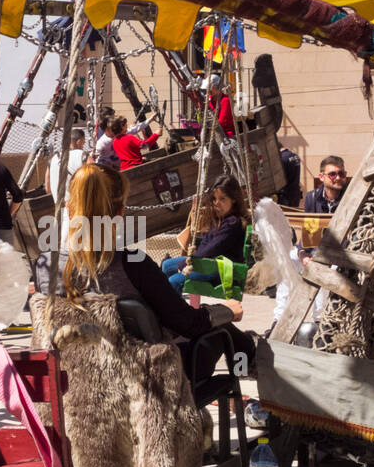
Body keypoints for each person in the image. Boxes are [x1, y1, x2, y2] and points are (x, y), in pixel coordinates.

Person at [61, 163, 256, 385]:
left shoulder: (48, 267)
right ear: (120, 213)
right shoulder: (133, 265)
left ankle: (250, 353)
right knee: (221, 329)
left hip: (81, 382)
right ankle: (252, 359)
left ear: (69, 209)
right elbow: (187, 323)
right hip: (145, 384)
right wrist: (224, 311)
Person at [161, 175, 250, 294]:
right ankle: (165, 298)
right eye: (214, 199)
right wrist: (191, 258)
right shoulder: (219, 219)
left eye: (222, 199)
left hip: (220, 269)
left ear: (233, 199)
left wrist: (189, 261)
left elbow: (212, 249)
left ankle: (174, 309)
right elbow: (206, 243)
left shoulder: (232, 223)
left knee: (174, 280)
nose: (217, 203)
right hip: (209, 263)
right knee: (166, 265)